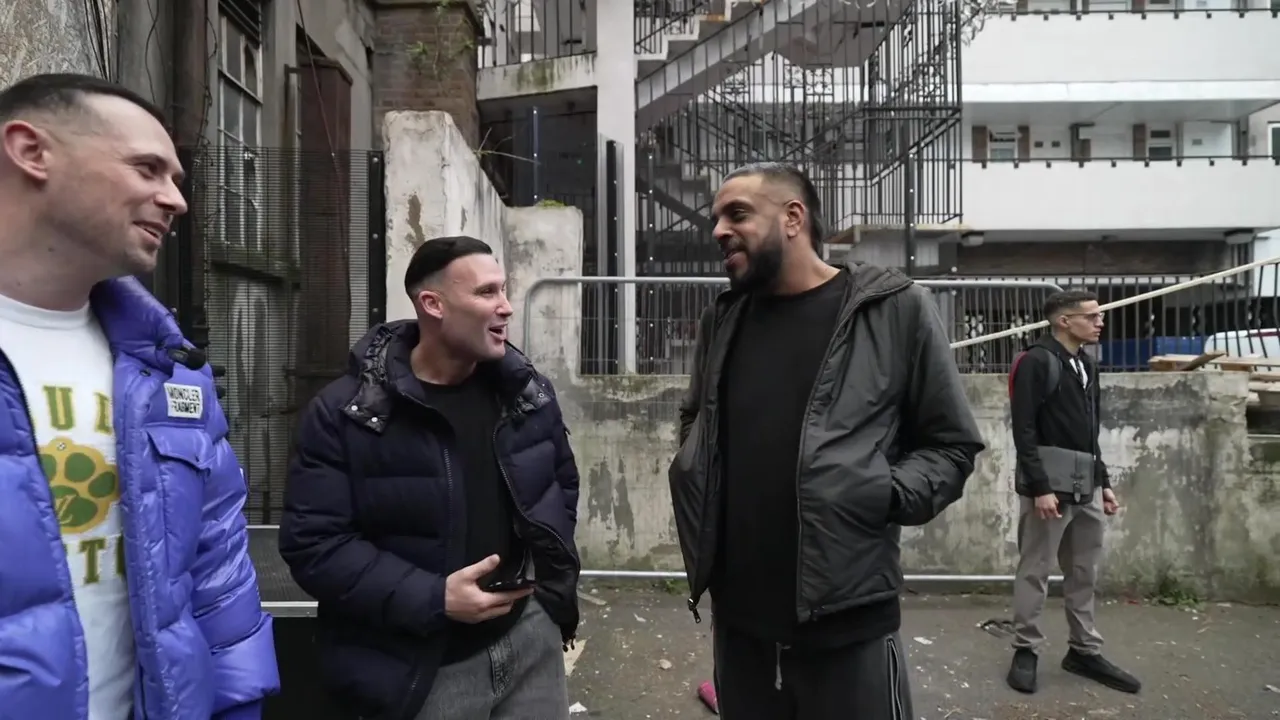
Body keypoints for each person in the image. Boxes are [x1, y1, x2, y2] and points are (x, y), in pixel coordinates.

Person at [0, 73, 279, 719]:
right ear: (30, 151)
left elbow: (217, 582)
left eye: (176, 178)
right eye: (147, 169)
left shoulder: (172, 373)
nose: (176, 199)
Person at [668, 162, 987, 720]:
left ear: (793, 218)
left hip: (848, 627)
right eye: (715, 217)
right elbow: (697, 419)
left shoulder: (894, 309)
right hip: (740, 630)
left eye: (737, 214)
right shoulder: (723, 319)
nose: (718, 230)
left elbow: (951, 446)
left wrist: (882, 493)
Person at [278, 236, 581, 720]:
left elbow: (559, 488)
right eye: (486, 292)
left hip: (531, 644)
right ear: (433, 304)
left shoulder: (525, 393)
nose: (506, 306)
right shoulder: (347, 414)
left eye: (503, 289)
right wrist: (434, 598)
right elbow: (315, 546)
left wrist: (547, 599)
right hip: (419, 670)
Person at [1006, 290, 1140, 695]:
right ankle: (1025, 649)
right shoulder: (1035, 361)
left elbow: (1089, 432)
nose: (1100, 322)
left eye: (1099, 316)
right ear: (1064, 321)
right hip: (1049, 489)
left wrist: (1104, 482)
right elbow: (1023, 429)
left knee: (1083, 571)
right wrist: (1040, 487)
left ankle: (1083, 650)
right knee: (1036, 569)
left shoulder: (1087, 364)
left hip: (1087, 486)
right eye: (1092, 316)